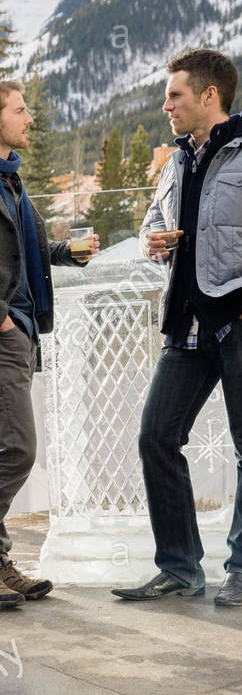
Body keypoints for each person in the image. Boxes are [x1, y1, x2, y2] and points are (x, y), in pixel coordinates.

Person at [0, 78, 98, 609]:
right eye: (19, 110)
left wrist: (68, 252)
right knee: (17, 450)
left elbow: (26, 248)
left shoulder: (9, 179)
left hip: (17, 330)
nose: (29, 117)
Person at [112, 47, 242, 607]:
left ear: (209, 95)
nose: (166, 105)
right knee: (156, 437)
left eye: (175, 95)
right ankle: (180, 568)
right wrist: (151, 241)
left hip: (235, 317)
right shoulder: (174, 163)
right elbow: (150, 226)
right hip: (185, 323)